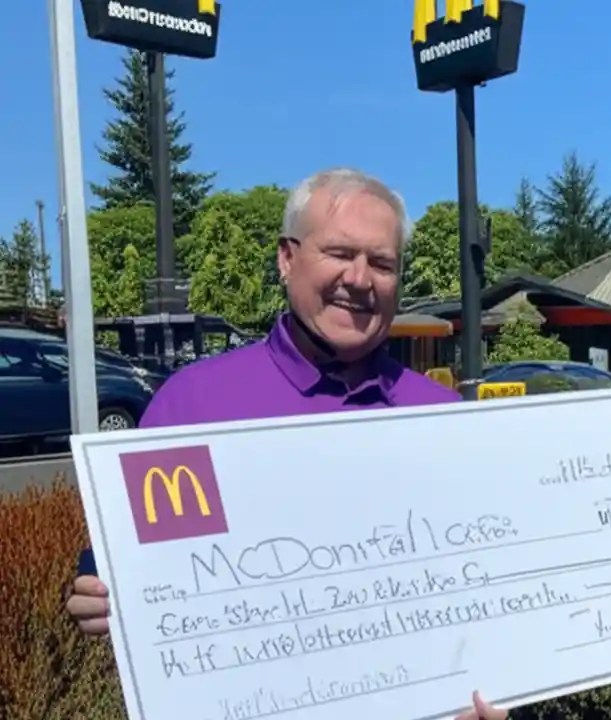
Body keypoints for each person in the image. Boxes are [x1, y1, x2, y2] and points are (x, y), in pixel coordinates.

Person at [64, 168, 505, 719]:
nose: (361, 278)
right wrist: (98, 596)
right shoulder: (192, 407)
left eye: (382, 263)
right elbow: (137, 572)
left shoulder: (446, 421)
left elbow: (488, 604)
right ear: (286, 259)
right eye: (339, 252)